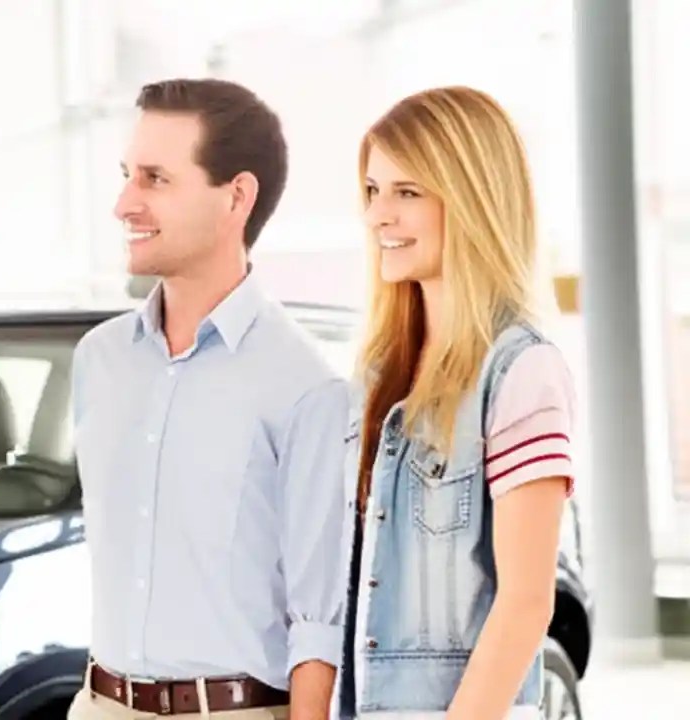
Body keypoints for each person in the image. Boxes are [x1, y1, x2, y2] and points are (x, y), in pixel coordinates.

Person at [69, 78, 349, 720]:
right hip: (99, 704)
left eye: (155, 179)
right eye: (125, 175)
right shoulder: (99, 360)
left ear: (236, 197)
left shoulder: (307, 385)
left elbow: (319, 622)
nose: (123, 204)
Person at [336, 86, 576, 719]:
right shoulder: (377, 374)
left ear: (472, 198)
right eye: (372, 191)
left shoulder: (521, 368)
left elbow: (526, 602)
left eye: (406, 192)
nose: (377, 216)